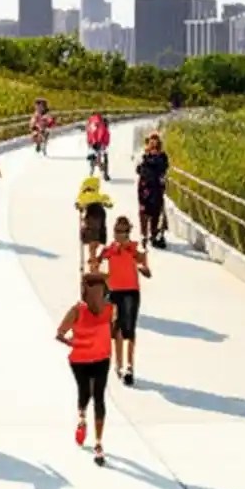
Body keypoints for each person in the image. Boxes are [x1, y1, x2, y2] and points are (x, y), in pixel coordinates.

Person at [55, 273, 114, 466]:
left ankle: (98, 443)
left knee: (99, 396)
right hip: (80, 360)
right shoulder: (77, 311)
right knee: (85, 392)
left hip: (102, 358)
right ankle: (81, 418)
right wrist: (74, 342)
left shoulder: (109, 310)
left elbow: (114, 331)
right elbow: (60, 333)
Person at [95, 216, 151, 386]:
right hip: (113, 291)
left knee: (130, 329)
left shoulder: (134, 249)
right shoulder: (109, 250)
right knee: (116, 328)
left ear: (128, 233)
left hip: (131, 292)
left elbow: (147, 270)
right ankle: (119, 365)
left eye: (123, 232)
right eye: (117, 231)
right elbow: (96, 265)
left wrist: (142, 266)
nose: (119, 235)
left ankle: (129, 366)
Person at [136, 132, 170, 249]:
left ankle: (153, 233)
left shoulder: (162, 156)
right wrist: (147, 160)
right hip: (145, 187)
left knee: (156, 211)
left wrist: (154, 161)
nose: (153, 146)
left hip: (157, 187)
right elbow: (139, 169)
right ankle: (143, 234)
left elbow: (164, 168)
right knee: (143, 211)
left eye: (156, 143)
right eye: (151, 143)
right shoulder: (143, 155)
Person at [75, 176, 113, 272]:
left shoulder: (86, 194)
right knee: (97, 239)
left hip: (92, 216)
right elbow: (106, 200)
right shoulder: (96, 195)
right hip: (99, 215)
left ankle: (93, 260)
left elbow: (82, 201)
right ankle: (94, 259)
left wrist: (80, 205)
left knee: (93, 239)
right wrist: (105, 202)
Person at [85, 113, 111, 180]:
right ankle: (102, 170)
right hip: (98, 145)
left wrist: (90, 142)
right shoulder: (103, 128)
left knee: (98, 157)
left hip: (94, 144)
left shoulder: (92, 124)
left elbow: (89, 134)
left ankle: (95, 167)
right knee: (103, 157)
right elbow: (105, 138)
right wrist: (102, 144)